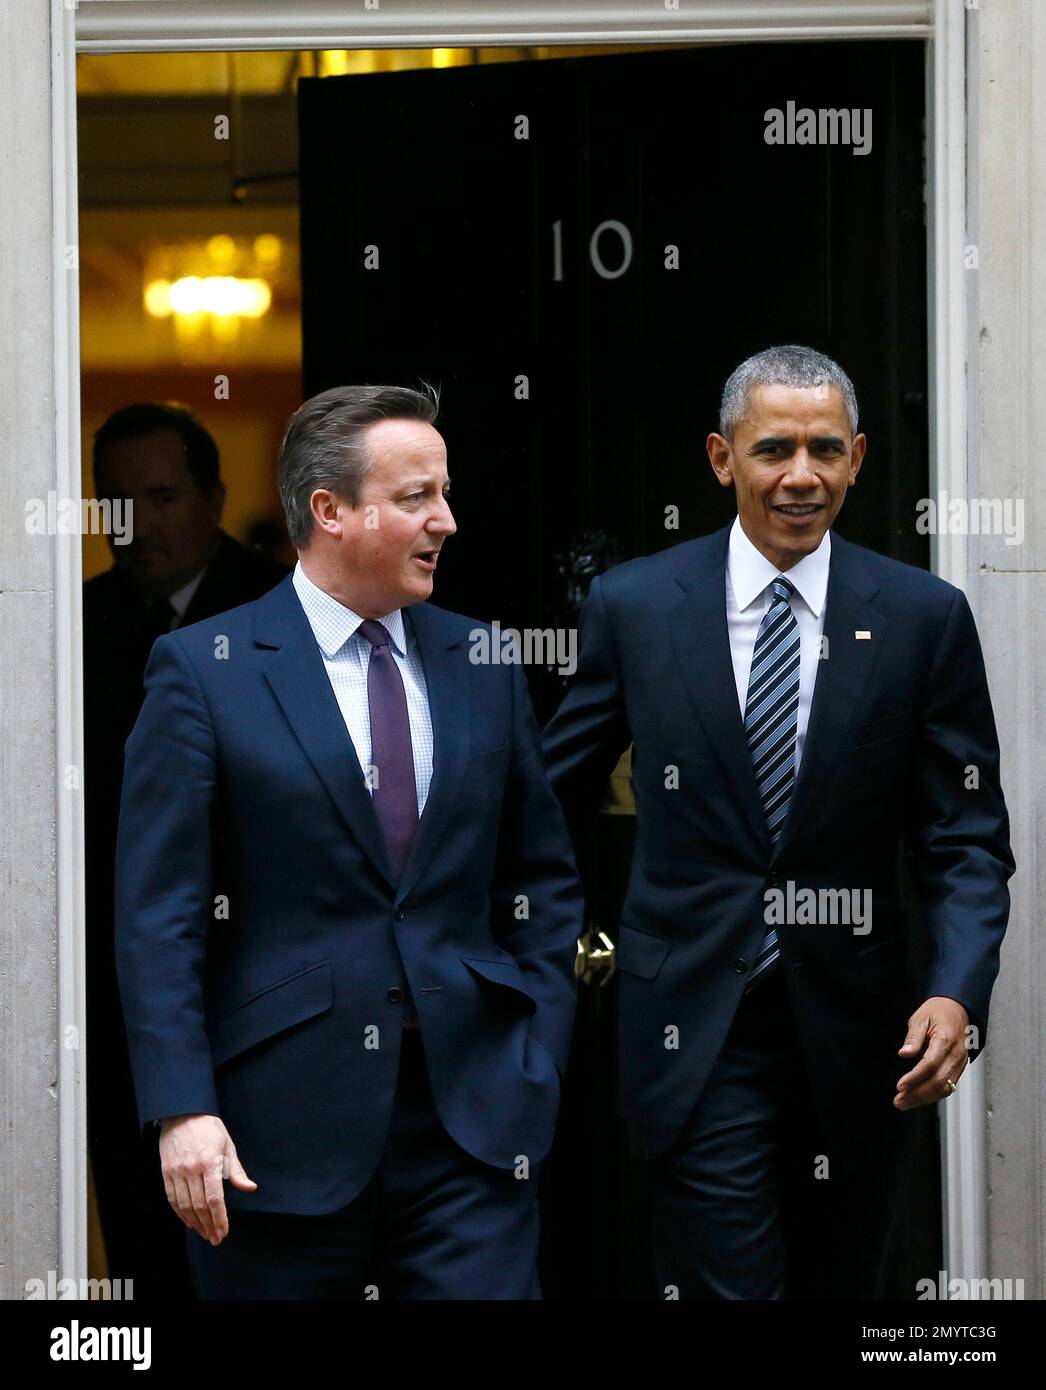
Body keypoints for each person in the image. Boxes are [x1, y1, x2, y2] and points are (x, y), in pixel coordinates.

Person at [542, 345, 1014, 1299]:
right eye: (773, 451)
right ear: (723, 460)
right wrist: (551, 946)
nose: (801, 477)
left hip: (861, 1038)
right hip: (695, 1032)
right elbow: (551, 797)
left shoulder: (924, 617)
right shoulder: (636, 607)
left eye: (825, 450)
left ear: (859, 458)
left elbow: (963, 836)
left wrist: (957, 993)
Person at [115, 384, 581, 1299]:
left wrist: (537, 1056)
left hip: (473, 1130)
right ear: (328, 511)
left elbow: (542, 879)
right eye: (416, 498)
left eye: (443, 494)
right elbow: (158, 915)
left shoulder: (483, 660)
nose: (446, 521)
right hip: (272, 1140)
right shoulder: (204, 672)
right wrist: (182, 1108)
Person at [83, 402, 288, 1298]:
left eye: (162, 496)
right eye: (116, 503)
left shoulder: (280, 609)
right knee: (138, 1230)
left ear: (215, 498)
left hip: (268, 967)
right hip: (115, 972)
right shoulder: (67, 626)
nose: (139, 525)